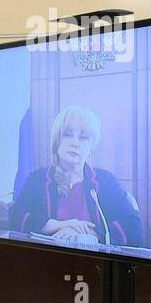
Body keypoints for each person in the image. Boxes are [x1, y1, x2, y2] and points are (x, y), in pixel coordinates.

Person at [8, 105, 143, 247]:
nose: (75, 143)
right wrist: (61, 225)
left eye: (83, 137)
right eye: (67, 134)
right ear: (56, 141)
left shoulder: (105, 181)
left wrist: (88, 234)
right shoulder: (38, 179)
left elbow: (134, 228)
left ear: (91, 148)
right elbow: (15, 217)